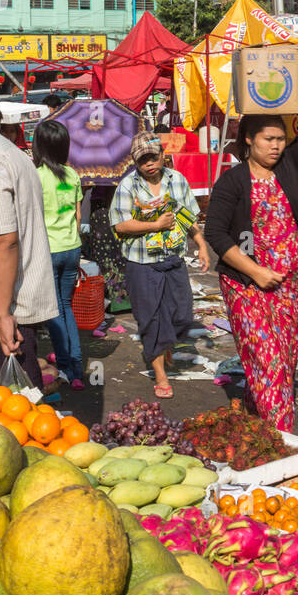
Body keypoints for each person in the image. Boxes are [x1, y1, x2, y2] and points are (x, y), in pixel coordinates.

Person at [204, 56, 298, 430]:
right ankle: (281, 440)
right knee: (267, 358)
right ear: (248, 140)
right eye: (268, 140)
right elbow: (216, 233)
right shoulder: (233, 180)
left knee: (285, 359)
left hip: (289, 282)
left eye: (280, 139)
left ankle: (255, 411)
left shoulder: (288, 165)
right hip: (246, 284)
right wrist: (256, 272)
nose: (276, 146)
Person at [0, 87, 58, 398]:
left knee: (0, 416)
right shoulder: (3, 150)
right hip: (7, 303)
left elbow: (3, 240)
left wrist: (2, 316)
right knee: (23, 409)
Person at [110, 133, 210, 398]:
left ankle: (165, 343)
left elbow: (188, 217)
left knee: (182, 315)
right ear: (135, 162)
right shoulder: (128, 186)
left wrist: (201, 244)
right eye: (143, 160)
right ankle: (161, 374)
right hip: (141, 263)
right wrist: (155, 225)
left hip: (173, 259)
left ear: (162, 155)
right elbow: (120, 224)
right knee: (151, 320)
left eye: (153, 157)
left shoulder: (177, 181)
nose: (149, 164)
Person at [32, 118, 85, 391]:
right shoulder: (72, 175)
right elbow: (77, 218)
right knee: (66, 307)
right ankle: (75, 367)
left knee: (53, 311)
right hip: (72, 248)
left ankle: (65, 365)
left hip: (48, 251)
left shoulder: (36, 175)